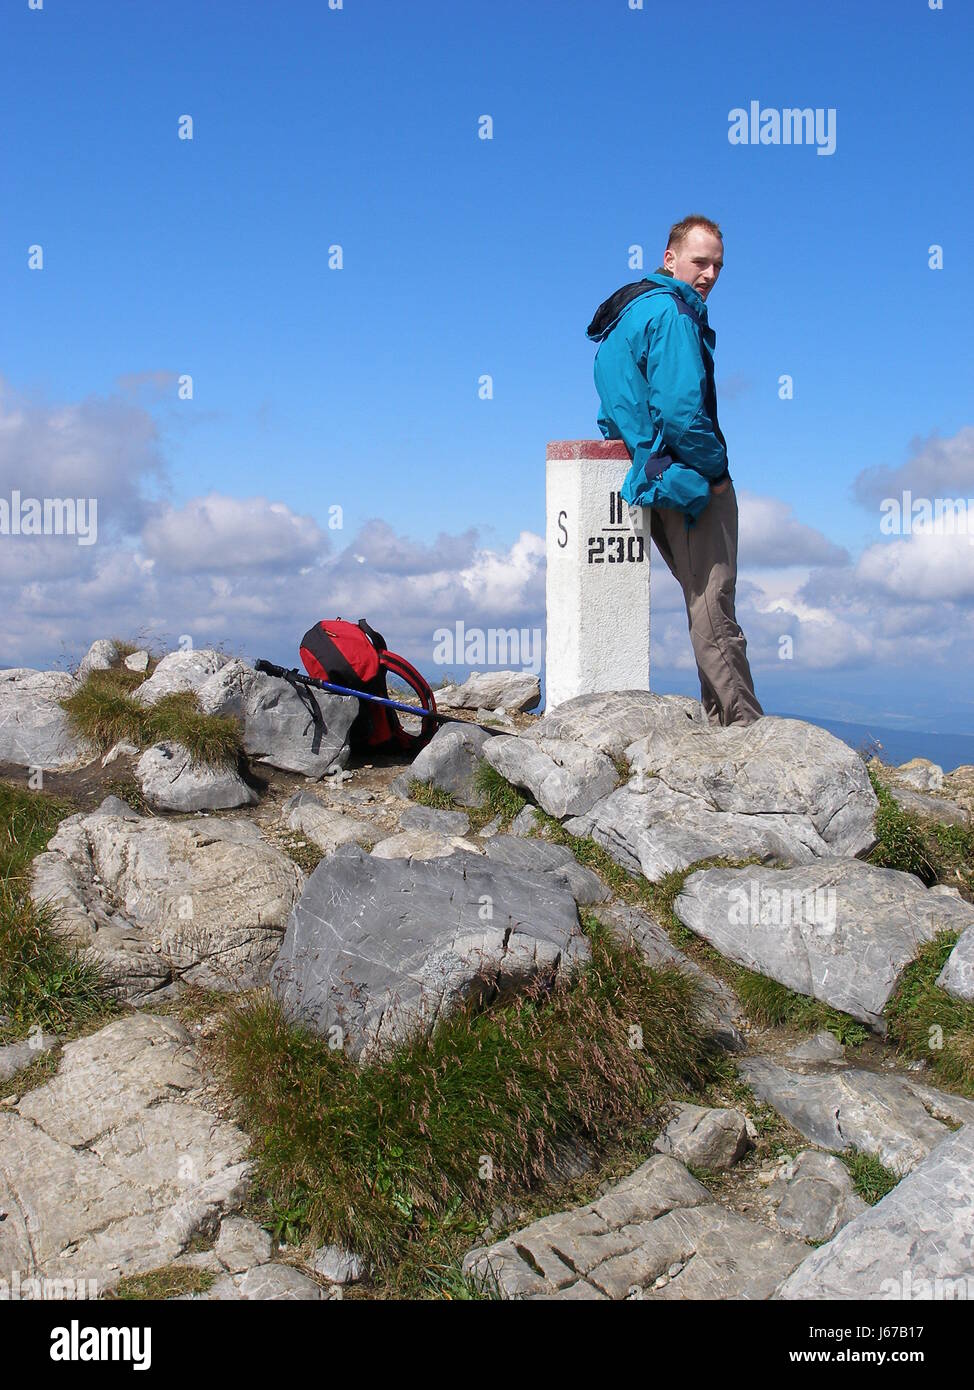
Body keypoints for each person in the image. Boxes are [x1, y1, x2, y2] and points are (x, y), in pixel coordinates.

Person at [586, 214, 763, 727]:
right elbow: (683, 412)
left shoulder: (626, 317)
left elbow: (612, 411)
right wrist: (716, 470)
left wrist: (651, 453)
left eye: (717, 265)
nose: (709, 274)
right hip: (689, 482)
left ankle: (720, 719)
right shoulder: (673, 315)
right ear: (670, 258)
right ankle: (745, 731)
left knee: (702, 604)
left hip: (657, 478)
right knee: (714, 606)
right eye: (699, 261)